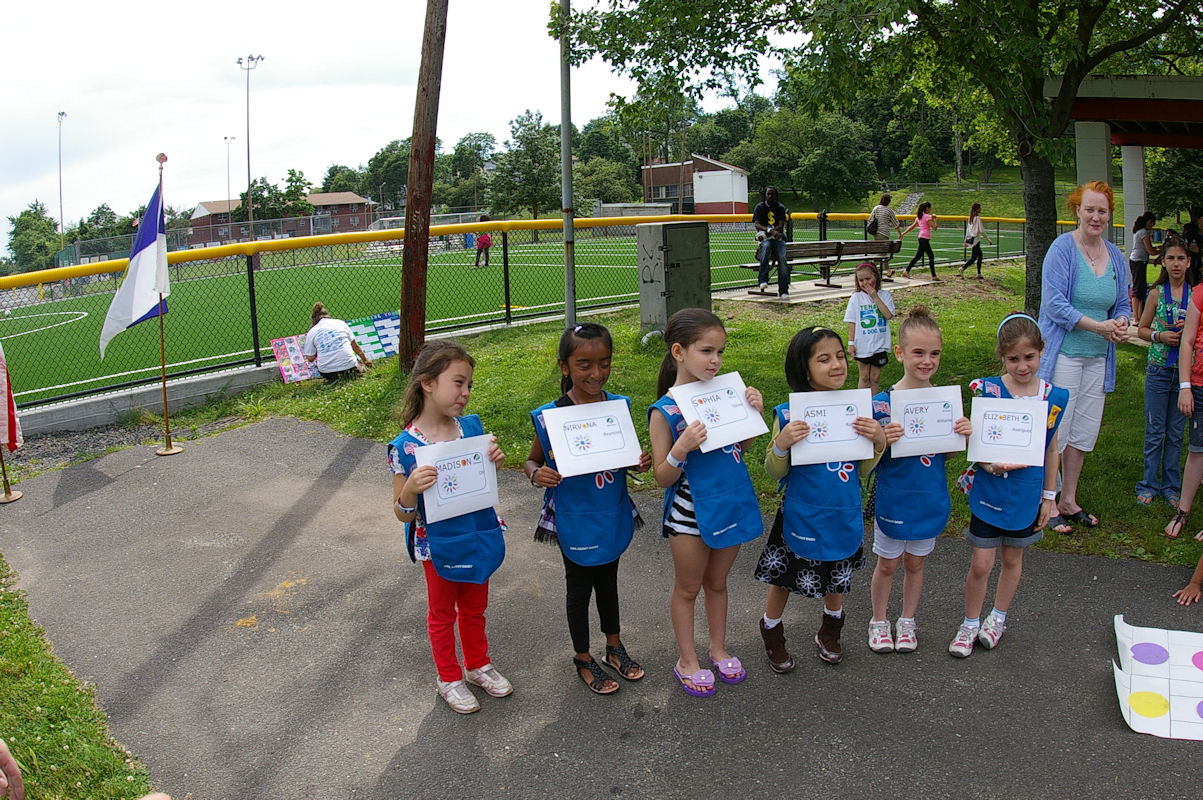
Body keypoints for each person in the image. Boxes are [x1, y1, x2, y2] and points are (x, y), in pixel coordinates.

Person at [526, 323, 652, 695]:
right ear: (564, 366)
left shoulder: (616, 407)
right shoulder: (552, 416)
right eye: (584, 365)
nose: (596, 373)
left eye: (604, 363)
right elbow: (532, 461)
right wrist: (537, 474)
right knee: (579, 589)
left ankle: (614, 646)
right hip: (574, 517)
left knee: (608, 582)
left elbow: (622, 454)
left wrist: (638, 462)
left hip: (610, 511)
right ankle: (583, 656)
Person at [388, 340, 512, 714]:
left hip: (478, 534)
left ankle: (477, 665)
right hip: (439, 544)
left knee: (475, 607)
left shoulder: (471, 428)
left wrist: (495, 460)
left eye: (469, 384)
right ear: (427, 383)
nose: (465, 392)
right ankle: (448, 677)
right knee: (442, 614)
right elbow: (401, 513)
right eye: (458, 382)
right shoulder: (405, 447)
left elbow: (482, 479)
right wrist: (411, 489)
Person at [753, 326, 887, 670]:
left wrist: (878, 441)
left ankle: (830, 629)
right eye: (823, 359)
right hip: (801, 514)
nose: (837, 365)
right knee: (783, 578)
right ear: (805, 369)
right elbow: (774, 471)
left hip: (843, 512)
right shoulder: (789, 414)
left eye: (840, 356)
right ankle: (771, 630)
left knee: (837, 576)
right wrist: (782, 443)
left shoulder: (859, 411)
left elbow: (862, 470)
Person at [649, 308, 765, 696]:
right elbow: (662, 476)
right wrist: (680, 448)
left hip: (730, 504)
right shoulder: (665, 411)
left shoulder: (726, 393)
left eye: (720, 352)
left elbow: (740, 448)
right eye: (706, 351)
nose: (715, 360)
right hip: (689, 514)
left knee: (717, 582)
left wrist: (752, 413)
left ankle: (718, 649)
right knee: (688, 588)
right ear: (678, 351)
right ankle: (687, 660)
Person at [949, 313, 1068, 657]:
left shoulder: (1052, 397)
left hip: (1026, 493)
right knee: (981, 563)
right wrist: (988, 463)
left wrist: (1049, 498)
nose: (1022, 366)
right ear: (1002, 355)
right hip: (991, 489)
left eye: (1029, 357)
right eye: (1013, 359)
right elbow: (978, 441)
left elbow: (1051, 449)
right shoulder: (989, 390)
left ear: (1042, 352)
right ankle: (970, 622)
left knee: (1013, 560)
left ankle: (997, 618)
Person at [867, 308, 972, 654]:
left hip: (929, 496)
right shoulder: (881, 406)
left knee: (915, 563)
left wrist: (962, 435)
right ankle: (879, 620)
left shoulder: (945, 402)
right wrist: (882, 440)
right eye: (918, 352)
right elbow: (867, 461)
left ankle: (907, 620)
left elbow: (947, 455)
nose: (927, 361)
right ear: (899, 353)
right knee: (888, 563)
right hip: (894, 497)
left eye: (934, 353)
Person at [1037, 181, 1132, 533]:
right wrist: (1099, 327)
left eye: (1102, 211)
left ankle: (1069, 499)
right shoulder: (1062, 249)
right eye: (1089, 209)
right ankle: (1048, 499)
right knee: (1057, 428)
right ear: (1077, 210)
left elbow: (1122, 303)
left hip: (1098, 358)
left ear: (1109, 215)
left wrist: (1121, 322)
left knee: (1083, 430)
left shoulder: (1116, 255)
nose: (1095, 216)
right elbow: (1055, 305)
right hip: (1065, 354)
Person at [1136, 236, 1192, 508]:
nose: (1176, 264)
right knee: (1155, 430)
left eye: (1181, 258)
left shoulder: (1195, 295)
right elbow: (1142, 329)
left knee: (1176, 432)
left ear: (1189, 262)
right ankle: (1148, 483)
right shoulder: (1156, 294)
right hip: (1159, 369)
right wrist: (1159, 336)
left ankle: (1171, 485)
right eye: (1171, 258)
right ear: (1163, 262)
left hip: (1184, 374)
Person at [1166, 238, 1203, 539]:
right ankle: (1183, 510)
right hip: (1199, 384)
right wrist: (1185, 386)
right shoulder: (1199, 295)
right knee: (1197, 450)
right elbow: (1187, 341)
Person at [843, 262, 896, 395]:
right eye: (861, 280)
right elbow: (852, 321)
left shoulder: (885, 295)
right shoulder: (856, 298)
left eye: (868, 279)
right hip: (863, 344)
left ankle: (873, 401)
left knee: (875, 377)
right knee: (864, 376)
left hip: (880, 343)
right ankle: (862, 403)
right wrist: (851, 343)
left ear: (876, 277)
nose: (865, 283)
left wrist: (875, 296)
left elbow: (888, 315)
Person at [302, 302, 372, 382]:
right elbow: (355, 346)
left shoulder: (312, 331)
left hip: (327, 372)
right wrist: (365, 360)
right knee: (361, 368)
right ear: (327, 315)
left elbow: (310, 358)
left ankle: (333, 379)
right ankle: (354, 374)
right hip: (350, 367)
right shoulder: (340, 323)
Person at [753, 186, 790, 299]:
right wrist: (769, 231)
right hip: (766, 238)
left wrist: (774, 232)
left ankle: (783, 290)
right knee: (766, 248)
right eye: (768, 194)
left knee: (782, 259)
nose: (770, 196)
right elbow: (757, 224)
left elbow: (781, 224)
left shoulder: (780, 207)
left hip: (778, 239)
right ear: (765, 195)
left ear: (776, 195)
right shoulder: (759, 207)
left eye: (772, 194)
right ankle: (763, 279)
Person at [1129, 213, 1162, 323]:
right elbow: (1150, 250)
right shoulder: (1143, 232)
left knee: (1141, 290)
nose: (1152, 226)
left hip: (1141, 262)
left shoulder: (1142, 231)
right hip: (1138, 261)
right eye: (1152, 223)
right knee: (1137, 289)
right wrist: (1161, 251)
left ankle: (1139, 317)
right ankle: (1136, 317)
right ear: (1149, 221)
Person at [900, 202, 939, 280]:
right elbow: (934, 227)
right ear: (927, 208)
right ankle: (906, 271)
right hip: (924, 238)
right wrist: (935, 219)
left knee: (930, 256)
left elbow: (912, 226)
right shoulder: (927, 216)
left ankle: (934, 276)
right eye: (930, 208)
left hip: (922, 238)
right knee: (920, 256)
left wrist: (903, 233)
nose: (930, 210)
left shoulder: (919, 216)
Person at [959, 202, 993, 279]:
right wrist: (988, 240)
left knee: (980, 256)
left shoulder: (971, 218)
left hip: (971, 239)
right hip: (976, 240)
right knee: (974, 258)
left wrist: (965, 240)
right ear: (977, 209)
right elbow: (982, 231)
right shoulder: (977, 218)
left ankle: (979, 273)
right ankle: (963, 268)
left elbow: (968, 230)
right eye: (980, 207)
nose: (981, 209)